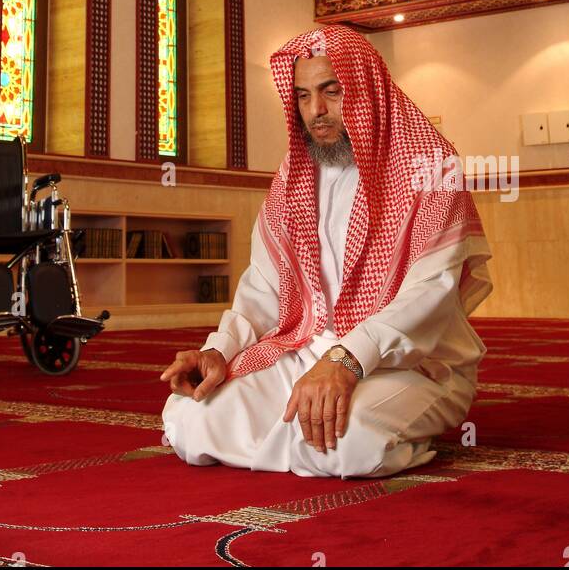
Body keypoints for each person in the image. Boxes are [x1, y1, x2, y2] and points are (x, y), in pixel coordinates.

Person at [160, 25, 494, 478]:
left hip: (412, 364)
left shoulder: (430, 167)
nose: (316, 111)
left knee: (348, 440)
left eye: (331, 91)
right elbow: (262, 290)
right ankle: (297, 438)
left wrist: (346, 358)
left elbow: (429, 295)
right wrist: (219, 351)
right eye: (302, 96)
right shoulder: (294, 176)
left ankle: (357, 435)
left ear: (365, 89)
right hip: (304, 353)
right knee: (190, 419)